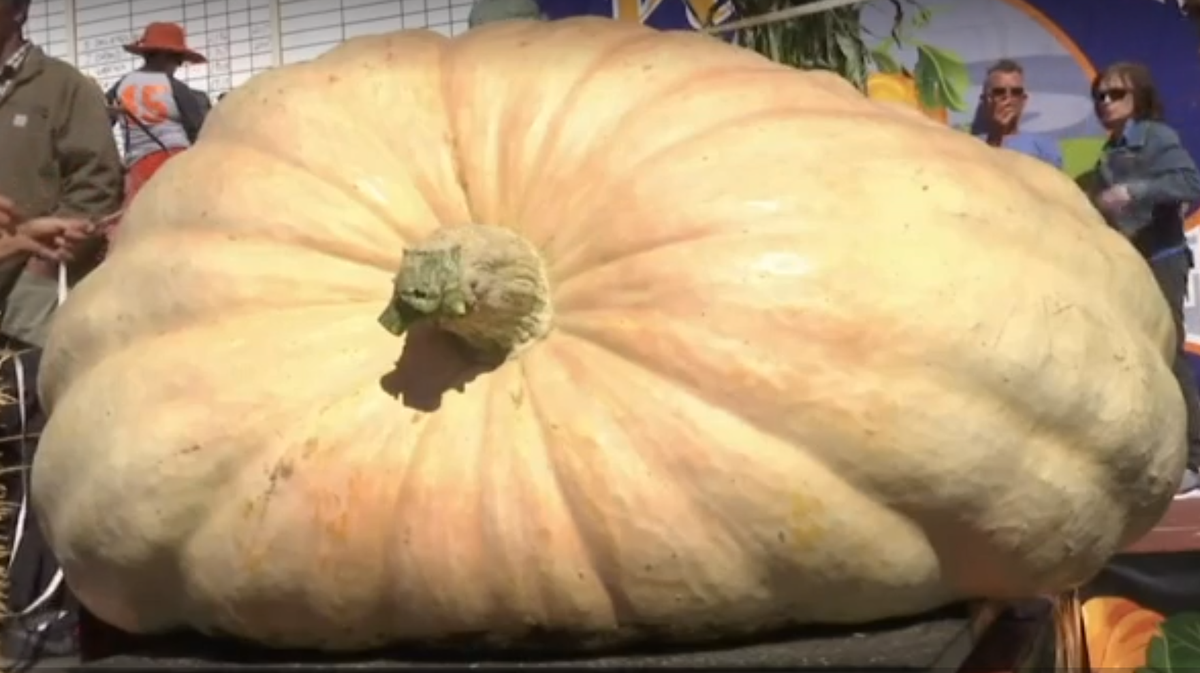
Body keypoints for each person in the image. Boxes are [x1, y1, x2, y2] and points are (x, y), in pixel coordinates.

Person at [1088, 61, 1200, 495]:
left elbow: (1191, 181)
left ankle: (1195, 458)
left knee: (1169, 356)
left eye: (1115, 94)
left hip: (1163, 259)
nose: (1104, 102)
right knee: (1139, 361)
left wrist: (1136, 191)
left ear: (1139, 98)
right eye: (1099, 95)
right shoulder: (1109, 150)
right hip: (1131, 266)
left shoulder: (1155, 137)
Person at [0, 0, 123, 350]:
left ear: (18, 12)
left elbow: (97, 183)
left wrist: (42, 267)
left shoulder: (62, 87)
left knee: (24, 391)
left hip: (28, 291)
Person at [105, 22, 208, 247]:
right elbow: (198, 128)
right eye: (178, 59)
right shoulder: (175, 87)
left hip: (138, 163)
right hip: (175, 158)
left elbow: (104, 122)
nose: (178, 66)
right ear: (166, 56)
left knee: (139, 222)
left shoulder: (121, 85)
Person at [975, 59, 1063, 169]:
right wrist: (996, 137)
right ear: (985, 100)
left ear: (1023, 100)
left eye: (1016, 92)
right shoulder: (971, 146)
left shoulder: (1044, 146)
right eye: (999, 92)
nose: (1007, 97)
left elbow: (1053, 183)